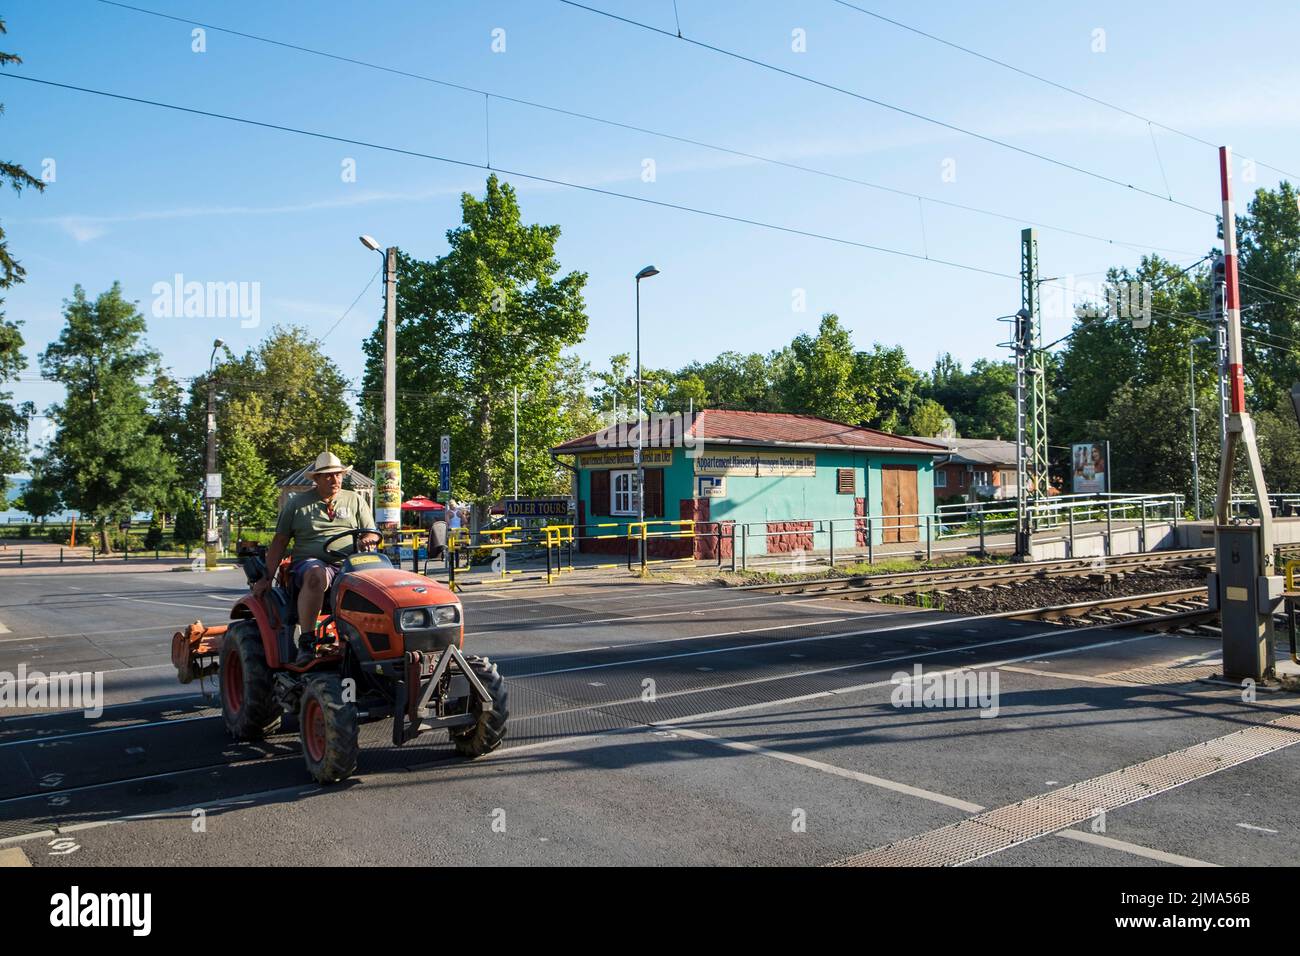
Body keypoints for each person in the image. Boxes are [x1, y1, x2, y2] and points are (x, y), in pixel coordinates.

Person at [254, 451, 379, 664]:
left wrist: (368, 539)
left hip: (349, 562)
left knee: (381, 583)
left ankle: (371, 641)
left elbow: (371, 532)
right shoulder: (297, 504)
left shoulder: (355, 500)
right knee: (316, 574)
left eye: (338, 475)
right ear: (317, 479)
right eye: (329, 475)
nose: (335, 479)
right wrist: (266, 577)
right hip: (310, 562)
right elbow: (280, 542)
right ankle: (307, 641)